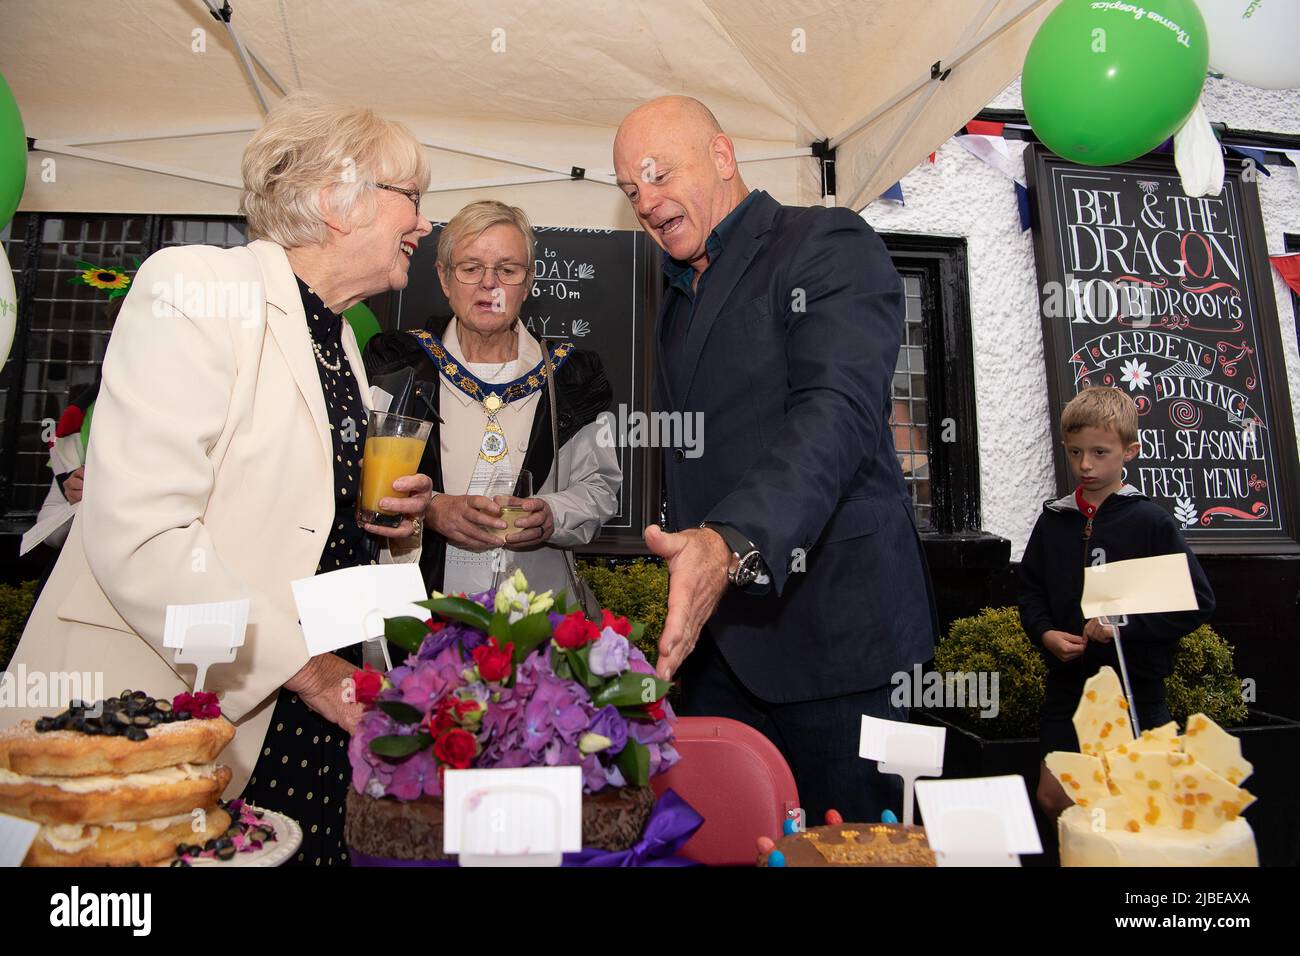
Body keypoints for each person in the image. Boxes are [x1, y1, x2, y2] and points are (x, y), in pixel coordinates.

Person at [2, 93, 435, 866]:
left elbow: (316, 553)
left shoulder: (339, 339)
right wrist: (310, 670)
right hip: (155, 727)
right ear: (339, 199)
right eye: (414, 196)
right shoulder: (194, 288)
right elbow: (144, 533)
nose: (424, 223)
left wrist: (396, 546)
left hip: (304, 727)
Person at [612, 96, 938, 822]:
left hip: (842, 648)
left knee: (854, 851)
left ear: (724, 156)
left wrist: (729, 543)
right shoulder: (673, 295)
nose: (646, 200)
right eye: (631, 190)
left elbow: (836, 412)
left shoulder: (826, 241)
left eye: (659, 172)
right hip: (723, 655)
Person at [364, 199, 620, 599]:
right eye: (470, 268)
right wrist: (430, 507)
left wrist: (553, 515)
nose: (490, 284)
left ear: (529, 280)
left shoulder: (572, 375)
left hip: (535, 617)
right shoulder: (399, 368)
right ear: (445, 279)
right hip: (420, 615)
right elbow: (363, 482)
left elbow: (600, 487)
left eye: (507, 269)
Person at [1019, 386, 1215, 820]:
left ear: (1130, 451)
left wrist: (1121, 627)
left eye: (1100, 452)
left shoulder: (1150, 521)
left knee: (1136, 806)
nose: (1085, 465)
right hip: (1070, 687)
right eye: (1075, 452)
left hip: (1136, 690)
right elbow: (1030, 590)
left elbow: (1197, 602)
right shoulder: (1054, 518)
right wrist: (1045, 632)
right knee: (1055, 798)